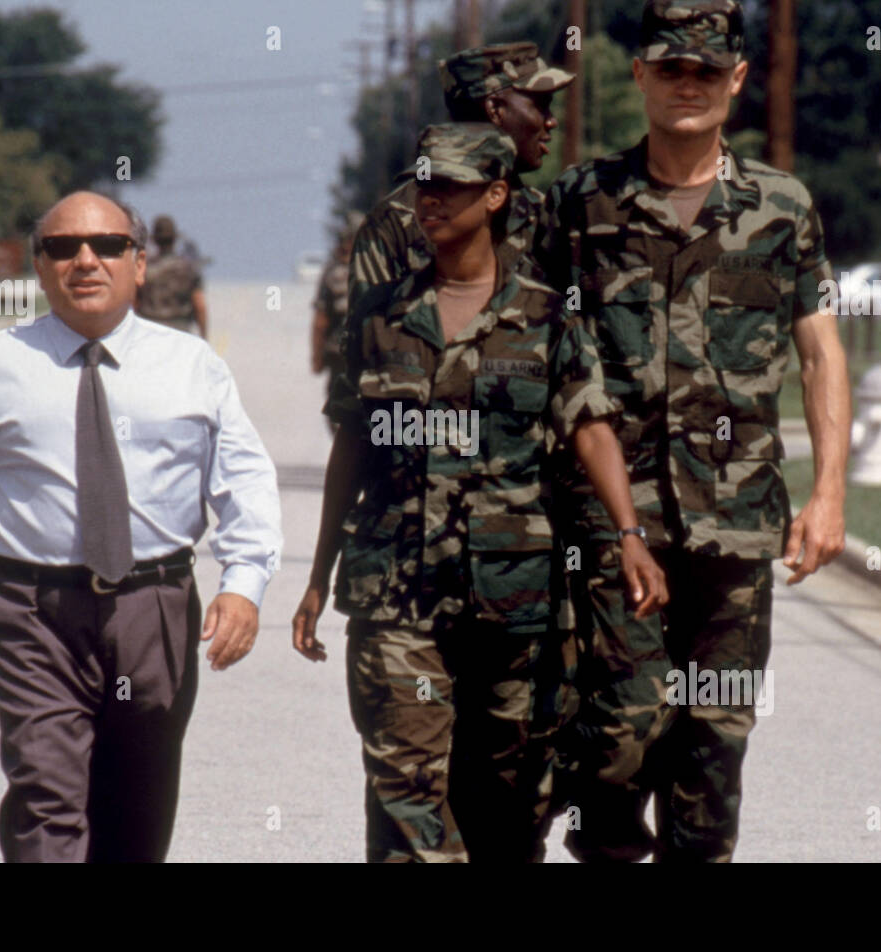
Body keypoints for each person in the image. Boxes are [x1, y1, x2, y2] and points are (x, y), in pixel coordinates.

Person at [291, 124, 668, 863]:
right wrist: (316, 574)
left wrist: (629, 535)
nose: (428, 201)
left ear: (496, 195)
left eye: (450, 187)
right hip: (396, 591)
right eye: (423, 184)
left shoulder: (547, 314)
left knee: (510, 800)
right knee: (405, 782)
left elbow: (589, 423)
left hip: (513, 596)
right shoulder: (378, 315)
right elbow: (353, 443)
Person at [535, 0, 850, 863]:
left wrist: (828, 495)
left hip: (735, 522)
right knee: (619, 732)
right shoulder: (580, 202)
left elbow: (820, 354)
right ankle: (601, 840)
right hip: (609, 521)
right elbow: (546, 353)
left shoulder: (782, 207)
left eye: (706, 71)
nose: (687, 85)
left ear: (737, 81)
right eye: (670, 68)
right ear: (638, 73)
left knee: (713, 745)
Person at [0, 191, 282, 863]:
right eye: (62, 247)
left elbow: (245, 479)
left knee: (135, 817)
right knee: (45, 802)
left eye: (108, 245)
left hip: (155, 610)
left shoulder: (193, 366)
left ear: (139, 264)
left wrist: (245, 581)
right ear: (40, 266)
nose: (86, 260)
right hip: (33, 614)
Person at [347, 41, 574, 320]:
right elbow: (371, 341)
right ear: (495, 109)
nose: (551, 121)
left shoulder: (543, 216)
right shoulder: (394, 225)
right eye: (541, 106)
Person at [311, 213, 365, 432]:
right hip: (371, 354)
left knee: (339, 409)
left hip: (340, 353)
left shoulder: (334, 273)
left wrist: (316, 357)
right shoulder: (386, 269)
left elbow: (321, 321)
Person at [136, 214, 209, 338]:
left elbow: (134, 302)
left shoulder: (143, 269)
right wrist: (203, 336)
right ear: (174, 239)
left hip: (149, 331)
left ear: (155, 240)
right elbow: (199, 305)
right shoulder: (189, 269)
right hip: (180, 331)